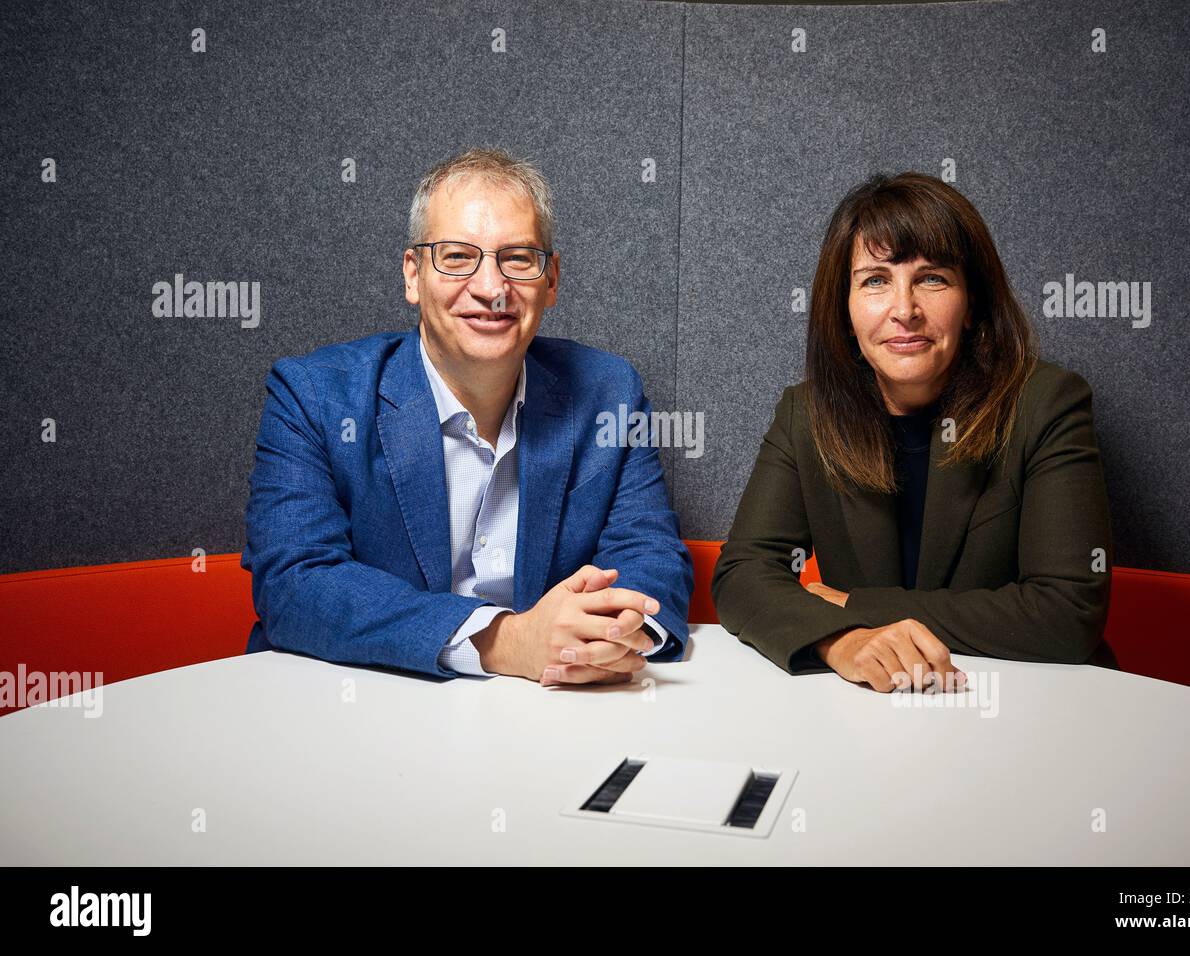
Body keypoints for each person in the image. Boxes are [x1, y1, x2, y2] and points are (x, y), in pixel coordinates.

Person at [242, 147, 692, 686]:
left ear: (550, 282)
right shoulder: (316, 395)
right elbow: (296, 583)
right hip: (353, 709)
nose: (491, 288)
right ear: (413, 276)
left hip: (549, 716)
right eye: (457, 256)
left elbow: (651, 555)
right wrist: (503, 641)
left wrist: (606, 635)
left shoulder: (607, 394)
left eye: (519, 258)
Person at [712, 171, 1116, 693]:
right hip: (870, 706)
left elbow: (1067, 613)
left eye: (933, 279)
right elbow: (742, 574)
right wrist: (841, 639)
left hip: (1031, 704)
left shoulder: (1047, 404)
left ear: (972, 305)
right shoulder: (806, 413)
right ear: (845, 309)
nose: (904, 309)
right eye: (875, 280)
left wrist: (857, 606)